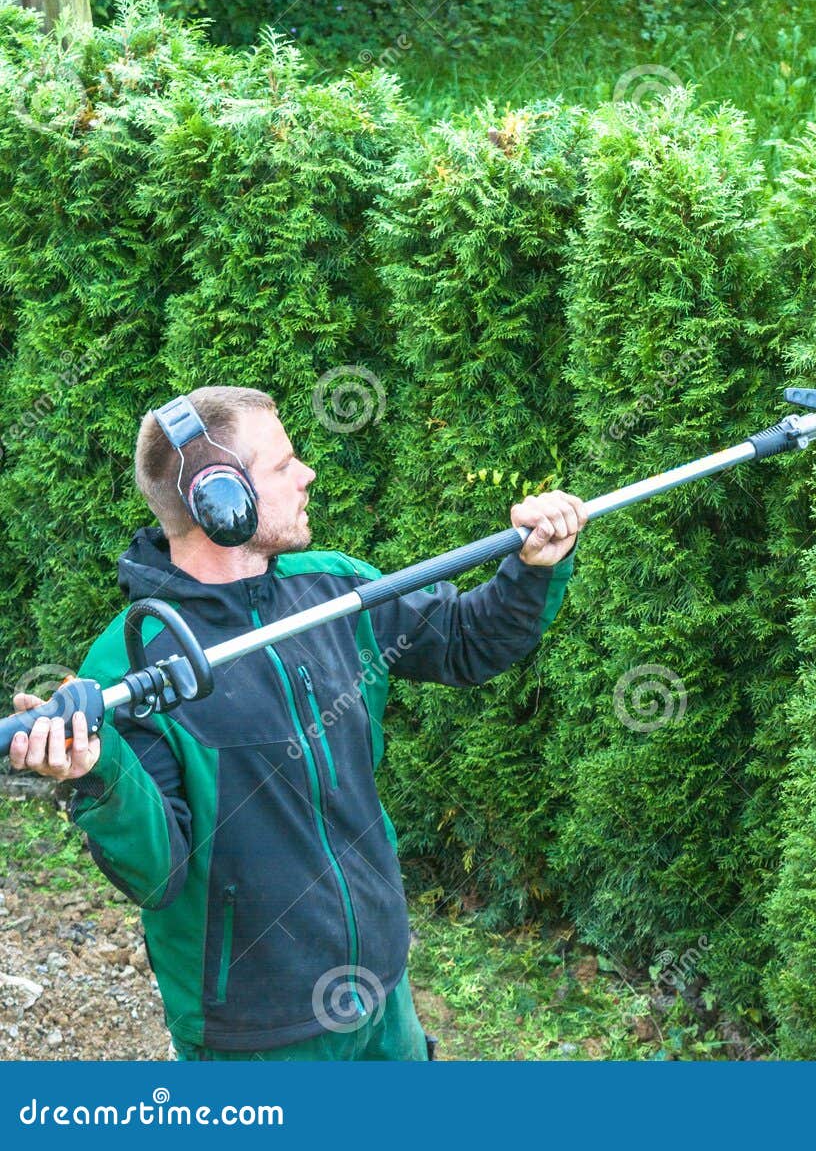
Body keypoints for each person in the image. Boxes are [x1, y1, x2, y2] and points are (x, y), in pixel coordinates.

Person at [5, 385, 587, 1060]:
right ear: (220, 500)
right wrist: (99, 771)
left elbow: (464, 641)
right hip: (257, 1030)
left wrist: (533, 569)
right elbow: (158, 871)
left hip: (381, 989)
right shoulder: (130, 663)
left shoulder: (333, 587)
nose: (307, 473)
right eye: (283, 465)